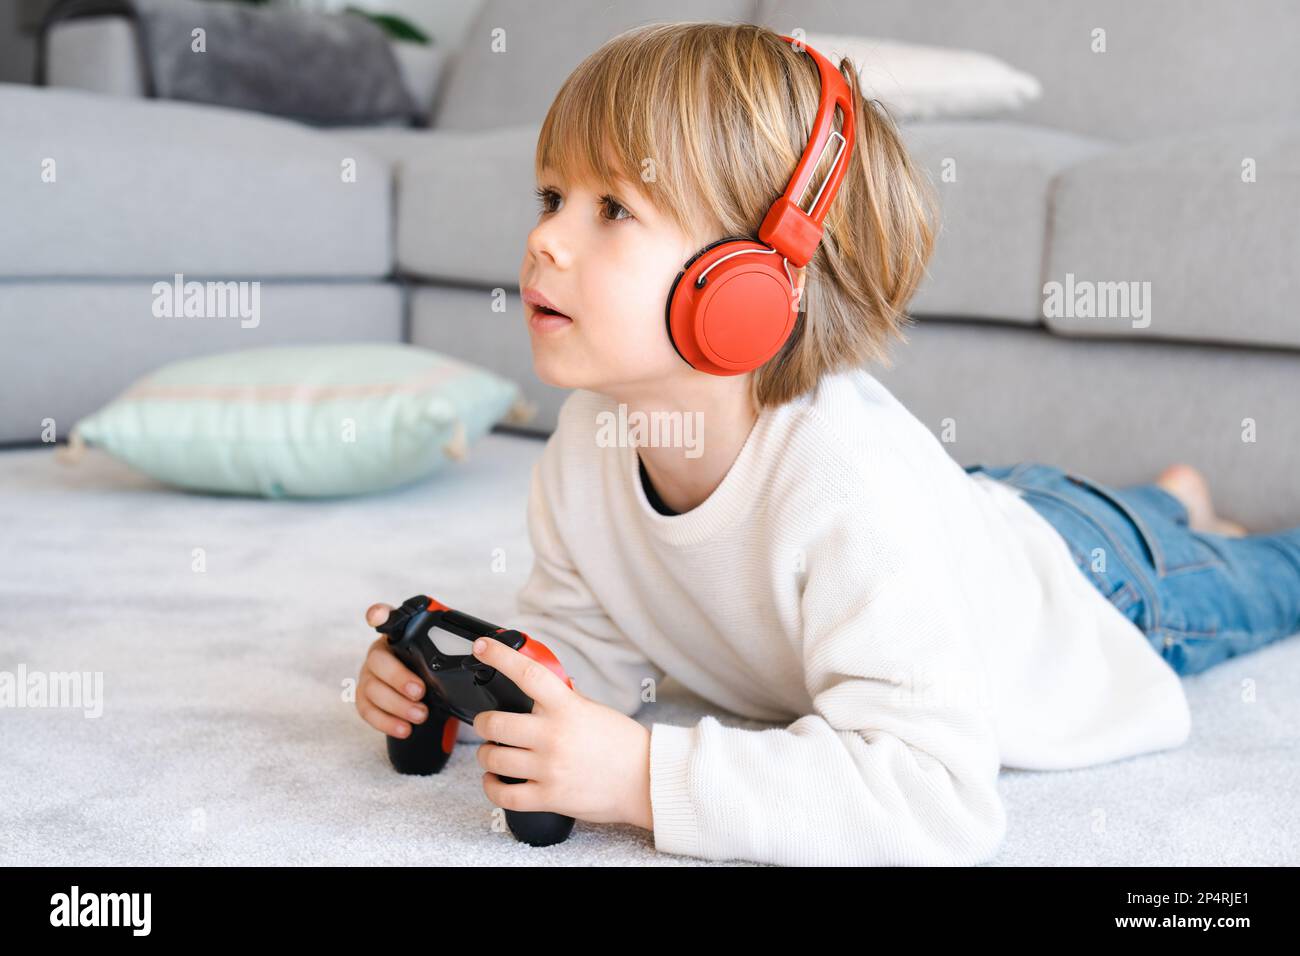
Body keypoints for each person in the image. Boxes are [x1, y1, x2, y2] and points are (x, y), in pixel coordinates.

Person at [354, 23, 1300, 866]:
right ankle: (1168, 493)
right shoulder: (587, 437)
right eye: (551, 196)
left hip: (1096, 583)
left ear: (750, 283)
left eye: (611, 210)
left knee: (1273, 575)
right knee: (1019, 510)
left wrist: (642, 778)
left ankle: (1172, 516)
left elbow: (938, 801)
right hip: (971, 513)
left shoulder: (851, 487)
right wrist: (476, 695)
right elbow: (598, 656)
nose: (544, 241)